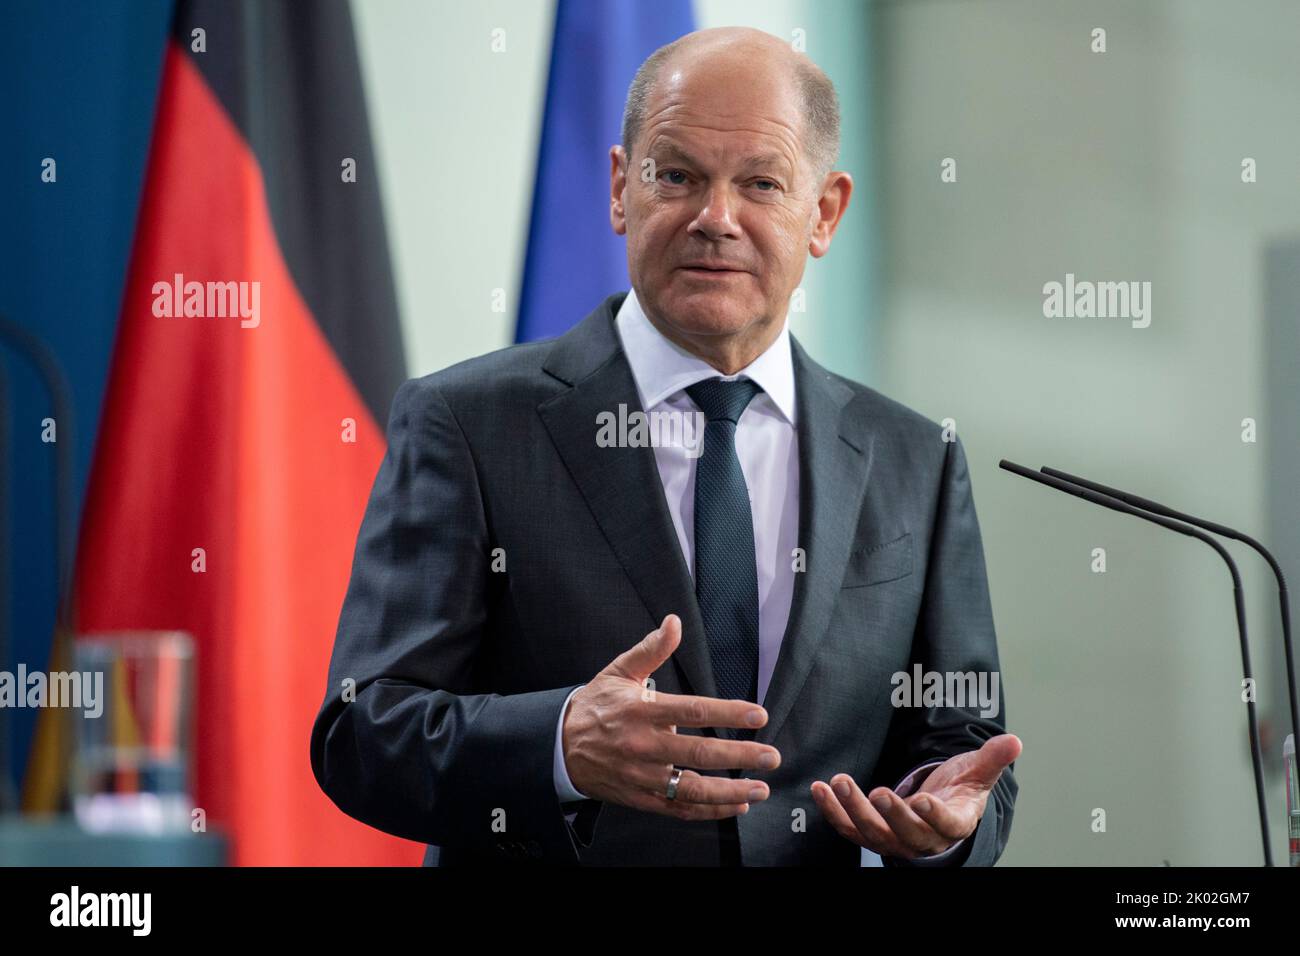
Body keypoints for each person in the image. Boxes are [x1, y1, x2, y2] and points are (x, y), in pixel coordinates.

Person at [310, 26, 1021, 866]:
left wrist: (946, 824)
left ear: (824, 212)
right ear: (620, 189)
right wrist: (562, 743)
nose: (716, 219)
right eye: (677, 176)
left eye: (760, 183)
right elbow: (364, 729)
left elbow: (963, 742)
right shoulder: (467, 422)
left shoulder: (915, 458)